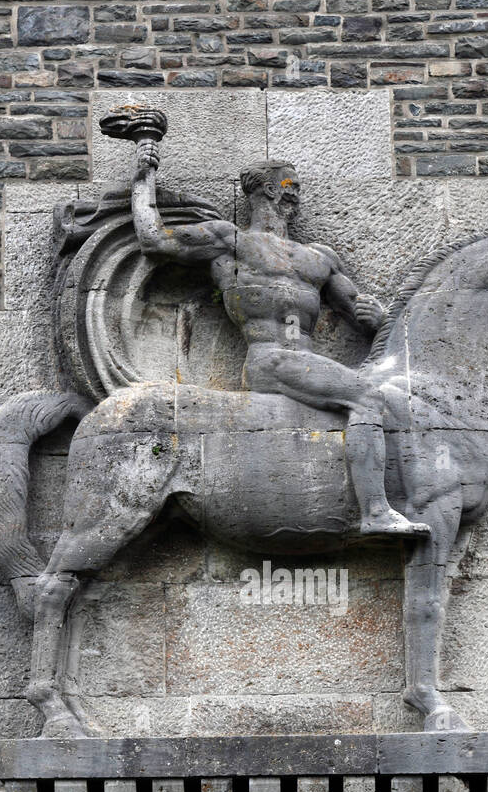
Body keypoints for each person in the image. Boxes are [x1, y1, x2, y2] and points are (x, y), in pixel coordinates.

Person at [131, 146, 428, 537]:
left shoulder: (318, 257)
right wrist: (143, 178)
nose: (297, 192)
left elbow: (360, 310)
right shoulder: (230, 241)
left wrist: (376, 318)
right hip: (269, 359)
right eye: (290, 183)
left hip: (305, 361)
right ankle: (374, 512)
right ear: (268, 189)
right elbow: (155, 240)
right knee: (368, 398)